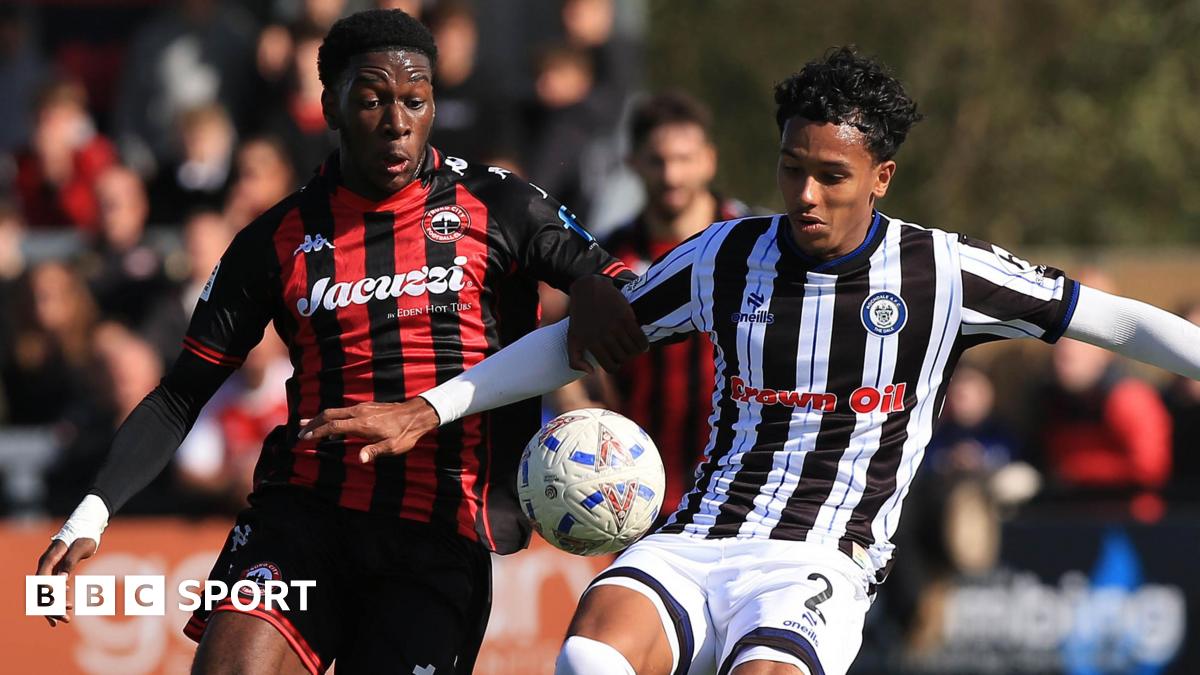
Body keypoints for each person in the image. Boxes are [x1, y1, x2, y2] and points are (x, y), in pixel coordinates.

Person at [311, 47, 1200, 675]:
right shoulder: (725, 255)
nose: (805, 195)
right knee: (588, 654)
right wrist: (433, 407)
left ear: (881, 177)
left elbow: (1113, 322)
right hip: (696, 539)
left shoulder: (947, 272)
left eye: (832, 176)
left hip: (822, 561)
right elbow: (577, 342)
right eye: (789, 169)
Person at [37, 9, 641, 675]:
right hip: (303, 515)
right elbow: (182, 395)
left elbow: (613, 284)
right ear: (330, 104)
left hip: (436, 530)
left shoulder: (499, 204)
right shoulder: (276, 238)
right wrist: (90, 513)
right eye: (372, 99)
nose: (396, 121)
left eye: (415, 100)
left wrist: (591, 284)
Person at [554, 91, 750, 519]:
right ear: (633, 162)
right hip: (641, 490)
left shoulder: (754, 245)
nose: (672, 175)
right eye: (658, 160)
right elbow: (558, 342)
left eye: (685, 159)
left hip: (744, 485)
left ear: (709, 160)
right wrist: (584, 416)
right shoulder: (605, 255)